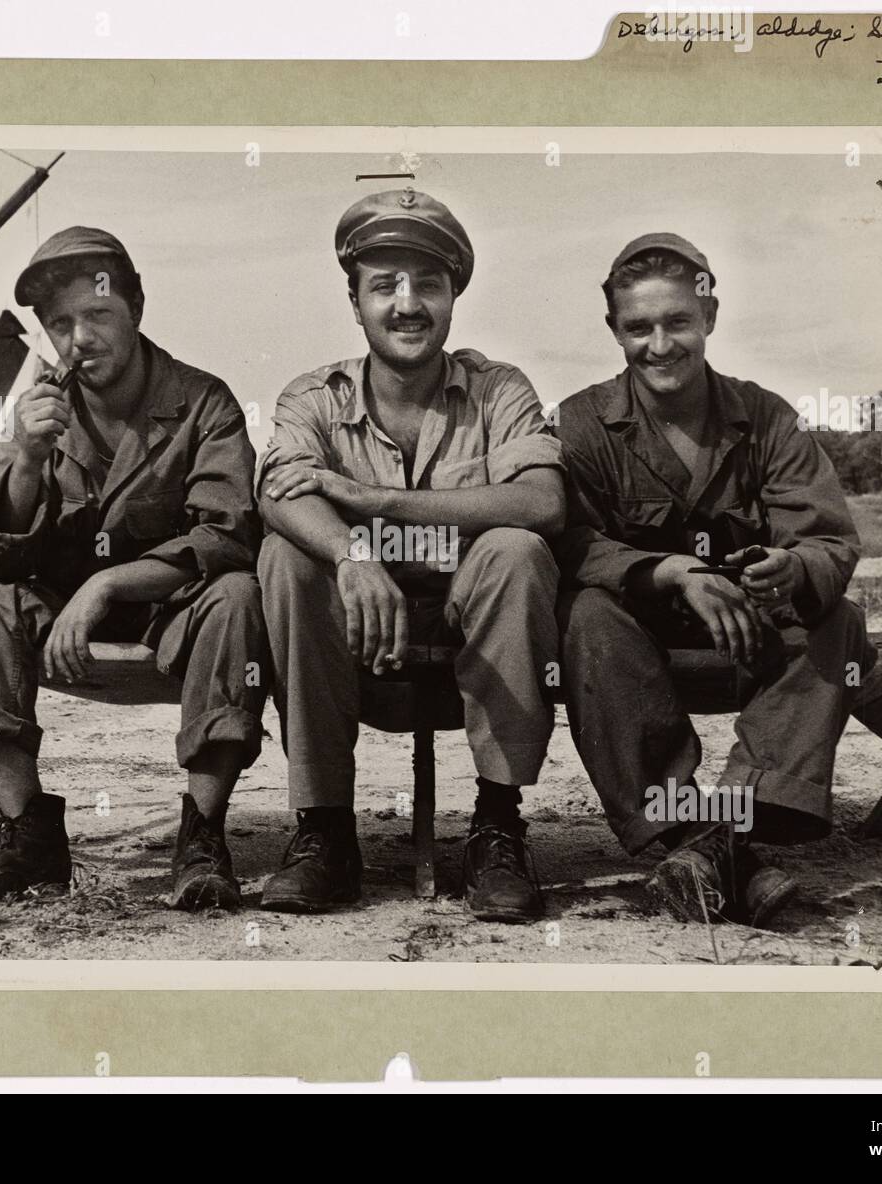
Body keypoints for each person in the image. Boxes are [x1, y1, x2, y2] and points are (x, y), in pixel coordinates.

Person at [0, 226, 269, 914]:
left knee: (238, 596)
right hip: (55, 628)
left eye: (99, 315)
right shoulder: (37, 415)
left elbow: (227, 536)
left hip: (175, 620)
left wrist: (109, 584)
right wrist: (24, 461)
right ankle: (30, 840)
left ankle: (202, 840)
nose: (79, 338)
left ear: (135, 307)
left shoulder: (202, 402)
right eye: (60, 325)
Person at [256, 189, 565, 922]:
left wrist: (377, 501)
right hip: (358, 646)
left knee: (517, 552)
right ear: (355, 300)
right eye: (384, 285)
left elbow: (541, 502)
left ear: (454, 294)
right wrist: (354, 554)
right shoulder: (313, 396)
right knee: (288, 560)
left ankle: (497, 827)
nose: (407, 304)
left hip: (470, 640)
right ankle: (325, 831)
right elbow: (276, 492)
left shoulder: (500, 391)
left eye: (428, 283)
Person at [554, 232, 879, 927]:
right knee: (585, 615)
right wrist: (669, 571)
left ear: (710, 316)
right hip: (639, 658)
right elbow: (569, 540)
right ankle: (727, 853)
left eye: (678, 322)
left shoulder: (766, 417)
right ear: (615, 330)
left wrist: (791, 569)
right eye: (638, 327)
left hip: (750, 643)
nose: (661, 344)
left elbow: (829, 538)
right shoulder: (582, 422)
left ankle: (716, 845)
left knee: (841, 620)